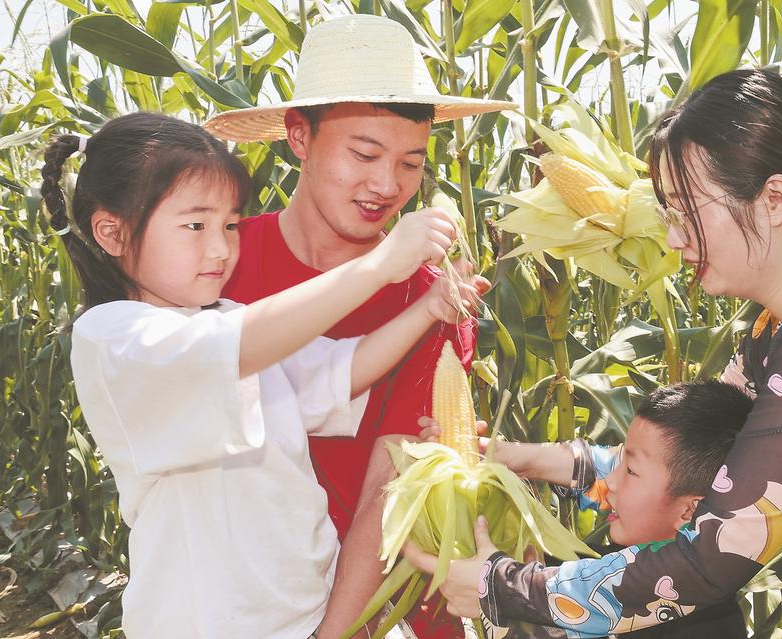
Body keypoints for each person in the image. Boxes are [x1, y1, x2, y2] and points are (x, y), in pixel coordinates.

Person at [405, 69, 782, 638]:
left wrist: (505, 587)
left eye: (687, 210)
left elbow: (710, 556)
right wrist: (510, 457)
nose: (672, 238)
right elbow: (693, 471)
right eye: (667, 214)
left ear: (774, 198)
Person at [40, 112, 474, 638]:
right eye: (196, 226)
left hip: (305, 613)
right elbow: (242, 344)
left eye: (229, 224)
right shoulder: (117, 340)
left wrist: (429, 308)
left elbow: (339, 373)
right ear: (112, 232)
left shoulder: (221, 319)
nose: (222, 247)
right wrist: (380, 266)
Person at [204, 14, 514, 637]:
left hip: (384, 607)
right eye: (364, 154)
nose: (386, 186)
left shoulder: (436, 294)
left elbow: (388, 489)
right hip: (252, 601)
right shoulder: (219, 265)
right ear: (298, 137)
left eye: (410, 163)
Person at [421, 380, 753, 638]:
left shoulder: (705, 625)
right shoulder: (602, 567)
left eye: (632, 471)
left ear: (688, 513)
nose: (609, 483)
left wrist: (499, 593)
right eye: (618, 462)